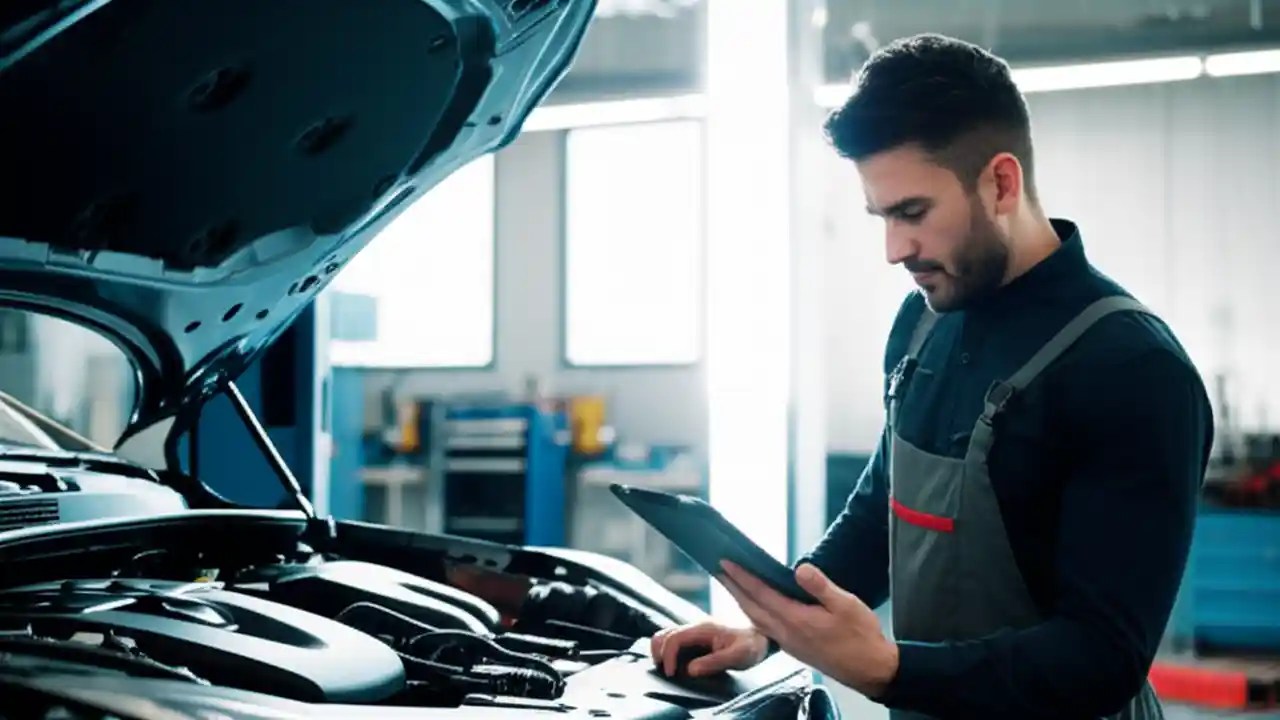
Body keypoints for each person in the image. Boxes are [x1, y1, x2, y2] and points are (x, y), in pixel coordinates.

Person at [649, 33, 1214, 719]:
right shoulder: (921, 325)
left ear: (1001, 183)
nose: (895, 250)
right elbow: (879, 521)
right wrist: (766, 630)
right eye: (882, 216)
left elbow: (1104, 658)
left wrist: (888, 668)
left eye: (913, 213)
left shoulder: (1131, 368)